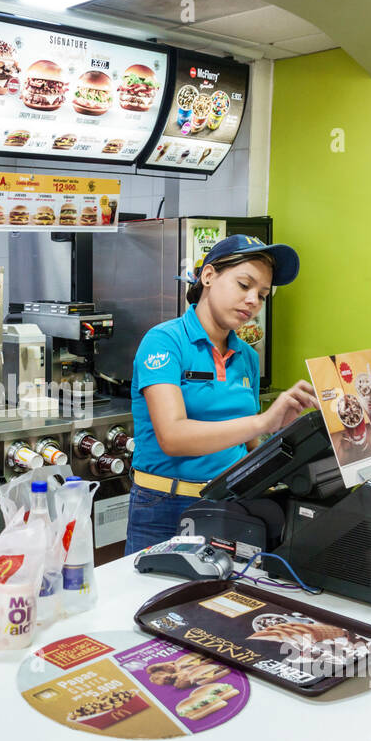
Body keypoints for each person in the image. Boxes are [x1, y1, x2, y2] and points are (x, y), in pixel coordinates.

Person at [126, 234, 318, 554]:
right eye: (244, 285)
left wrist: (288, 435)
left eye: (263, 294)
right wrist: (262, 422)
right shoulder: (164, 341)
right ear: (209, 276)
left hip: (231, 504)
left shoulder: (248, 358)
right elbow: (173, 436)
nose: (253, 301)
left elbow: (250, 445)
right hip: (163, 508)